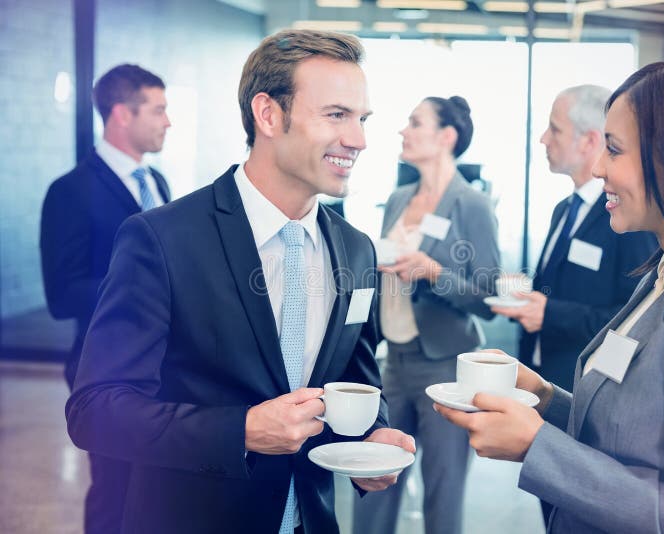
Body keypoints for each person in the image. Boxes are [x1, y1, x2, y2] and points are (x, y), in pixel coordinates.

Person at [66, 29, 414, 534]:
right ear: (268, 114)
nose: (358, 139)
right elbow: (96, 410)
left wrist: (374, 434)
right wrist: (242, 431)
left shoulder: (356, 249)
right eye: (336, 115)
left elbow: (357, 381)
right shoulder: (164, 239)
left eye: (362, 119)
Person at [436, 60, 664, 532]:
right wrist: (542, 397)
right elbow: (629, 433)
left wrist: (536, 446)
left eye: (615, 150)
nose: (599, 167)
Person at [353, 96, 501, 534]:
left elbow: (487, 296)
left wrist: (435, 273)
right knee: (373, 482)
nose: (403, 131)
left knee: (443, 489)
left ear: (446, 137)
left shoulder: (471, 204)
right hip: (392, 363)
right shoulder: (398, 199)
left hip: (446, 367)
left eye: (415, 123)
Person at [40, 63, 171, 534]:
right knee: (114, 496)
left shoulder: (157, 182)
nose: (167, 121)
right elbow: (62, 294)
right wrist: (154, 287)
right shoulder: (70, 191)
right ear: (121, 114)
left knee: (154, 496)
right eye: (158, 110)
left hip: (165, 371)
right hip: (107, 372)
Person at [493, 85, 657, 393]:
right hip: (539, 381)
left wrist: (549, 314)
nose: (543, 138)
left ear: (589, 141)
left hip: (583, 388)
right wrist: (526, 297)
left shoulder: (628, 217)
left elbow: (635, 318)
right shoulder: (563, 210)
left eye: (554, 129)